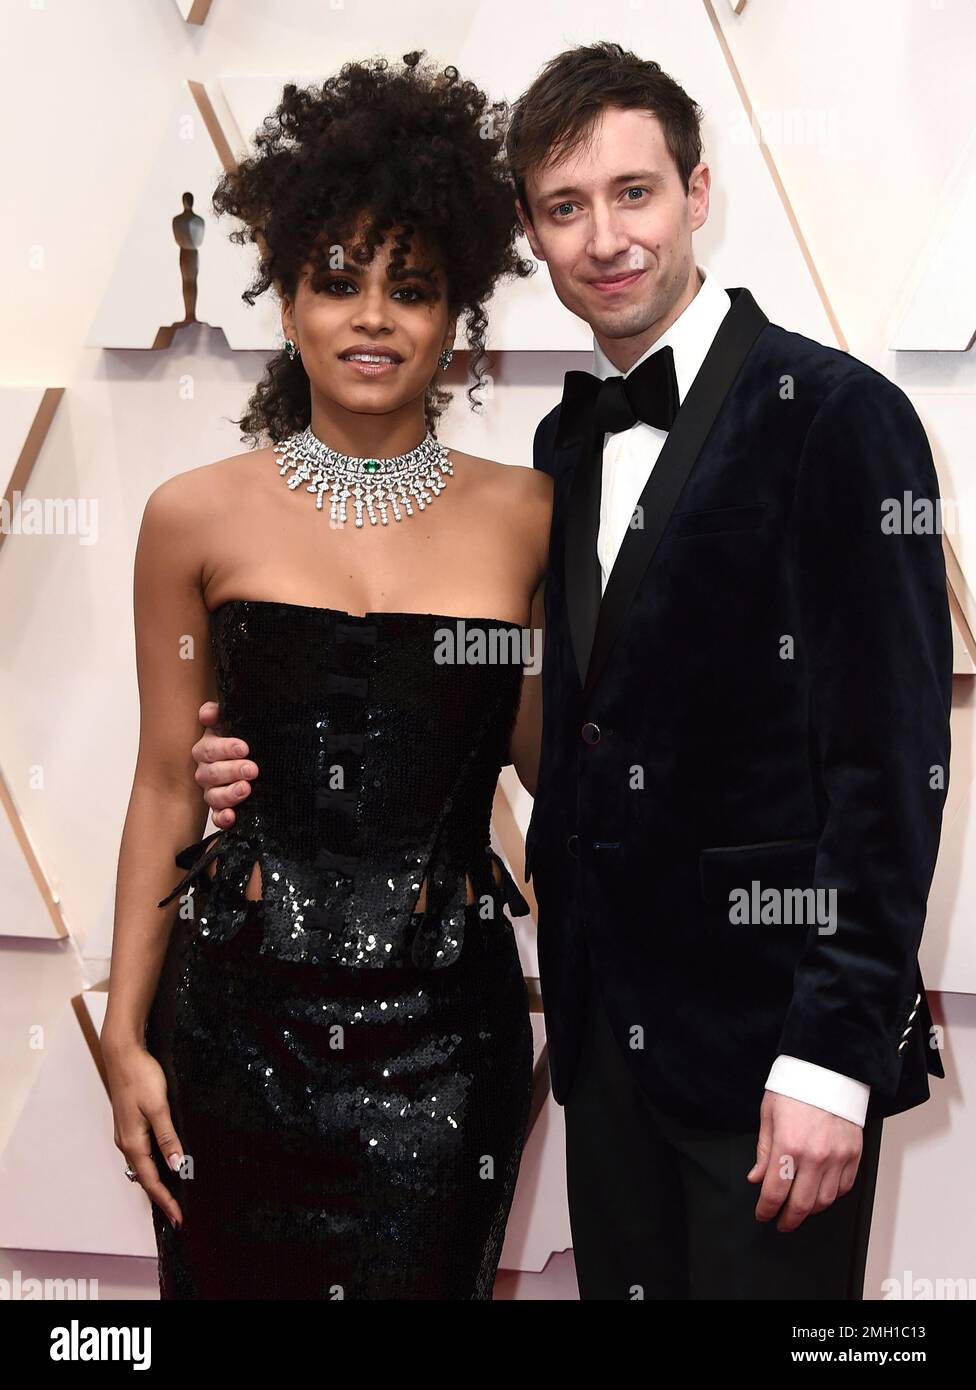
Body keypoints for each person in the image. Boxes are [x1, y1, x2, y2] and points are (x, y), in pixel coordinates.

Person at [194, 41, 953, 1302]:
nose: (604, 237)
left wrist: (832, 1057)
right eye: (564, 208)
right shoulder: (566, 443)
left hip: (773, 1059)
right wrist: (290, 751)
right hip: (602, 1044)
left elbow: (888, 769)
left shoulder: (836, 414)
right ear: (531, 241)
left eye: (633, 193)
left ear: (696, 191)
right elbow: (552, 725)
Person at [102, 51, 551, 1300]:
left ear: (455, 313)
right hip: (229, 1031)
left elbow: (554, 765)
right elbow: (160, 786)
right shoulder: (190, 517)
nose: (370, 316)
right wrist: (122, 1037)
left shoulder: (528, 518)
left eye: (410, 288)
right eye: (336, 280)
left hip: (446, 1054)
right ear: (286, 298)